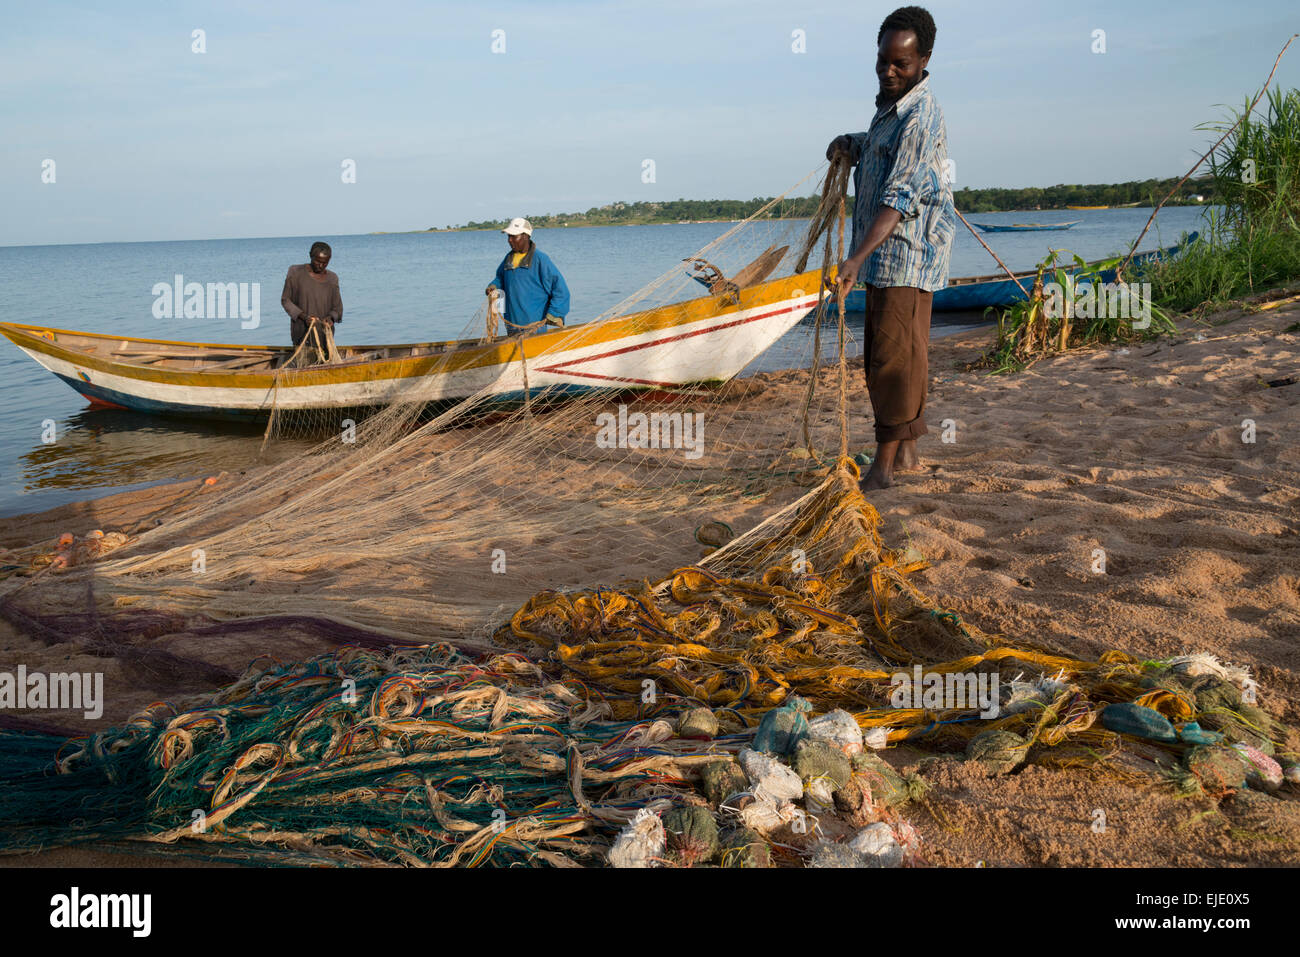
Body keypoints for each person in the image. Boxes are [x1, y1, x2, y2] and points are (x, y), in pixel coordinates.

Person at [825, 5, 955, 491]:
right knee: (904, 354)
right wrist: (852, 142)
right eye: (883, 60)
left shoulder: (921, 115)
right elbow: (882, 150)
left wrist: (854, 258)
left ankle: (883, 467)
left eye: (900, 63)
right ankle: (909, 456)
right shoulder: (889, 109)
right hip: (886, 257)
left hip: (905, 254)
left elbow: (899, 198)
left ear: (924, 61)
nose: (889, 70)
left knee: (891, 360)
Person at [485, 218, 570, 335]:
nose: (510, 240)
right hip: (511, 324)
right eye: (509, 236)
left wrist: (554, 314)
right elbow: (500, 278)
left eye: (514, 237)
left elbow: (560, 289)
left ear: (525, 236)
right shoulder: (508, 259)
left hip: (534, 325)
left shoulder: (540, 259)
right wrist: (494, 286)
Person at [281, 242, 343, 352]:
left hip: (325, 338)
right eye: (317, 261)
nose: (321, 266)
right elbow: (286, 300)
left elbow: (338, 308)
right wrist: (304, 317)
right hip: (302, 336)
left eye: (325, 263)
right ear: (310, 255)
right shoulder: (295, 272)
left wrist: (331, 317)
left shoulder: (333, 278)